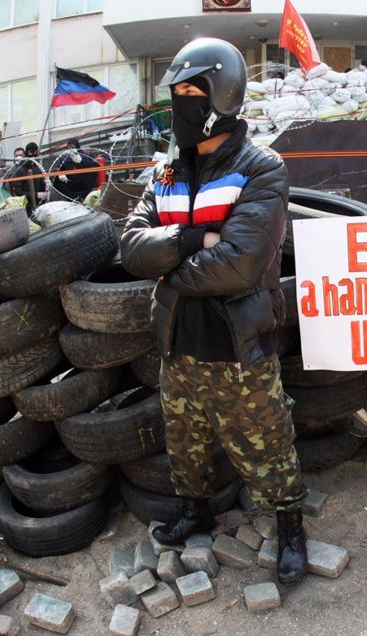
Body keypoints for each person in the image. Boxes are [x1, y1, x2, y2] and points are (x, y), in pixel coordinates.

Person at [120, 38, 308, 585]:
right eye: (176, 93)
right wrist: (192, 239)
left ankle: (290, 525)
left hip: (238, 348)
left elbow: (239, 266)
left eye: (190, 92)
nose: (179, 103)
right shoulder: (166, 171)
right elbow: (130, 247)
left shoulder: (261, 168)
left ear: (222, 95)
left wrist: (167, 268)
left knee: (268, 444)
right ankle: (194, 512)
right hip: (177, 343)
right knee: (185, 443)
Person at [53, 138, 98, 202]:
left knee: (92, 174)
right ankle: (73, 199)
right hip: (71, 181)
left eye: (72, 147)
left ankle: (84, 197)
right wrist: (61, 174)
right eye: (69, 147)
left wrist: (81, 161)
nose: (71, 149)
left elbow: (96, 165)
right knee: (56, 180)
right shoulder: (64, 158)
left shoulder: (86, 154)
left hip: (84, 181)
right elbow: (59, 168)